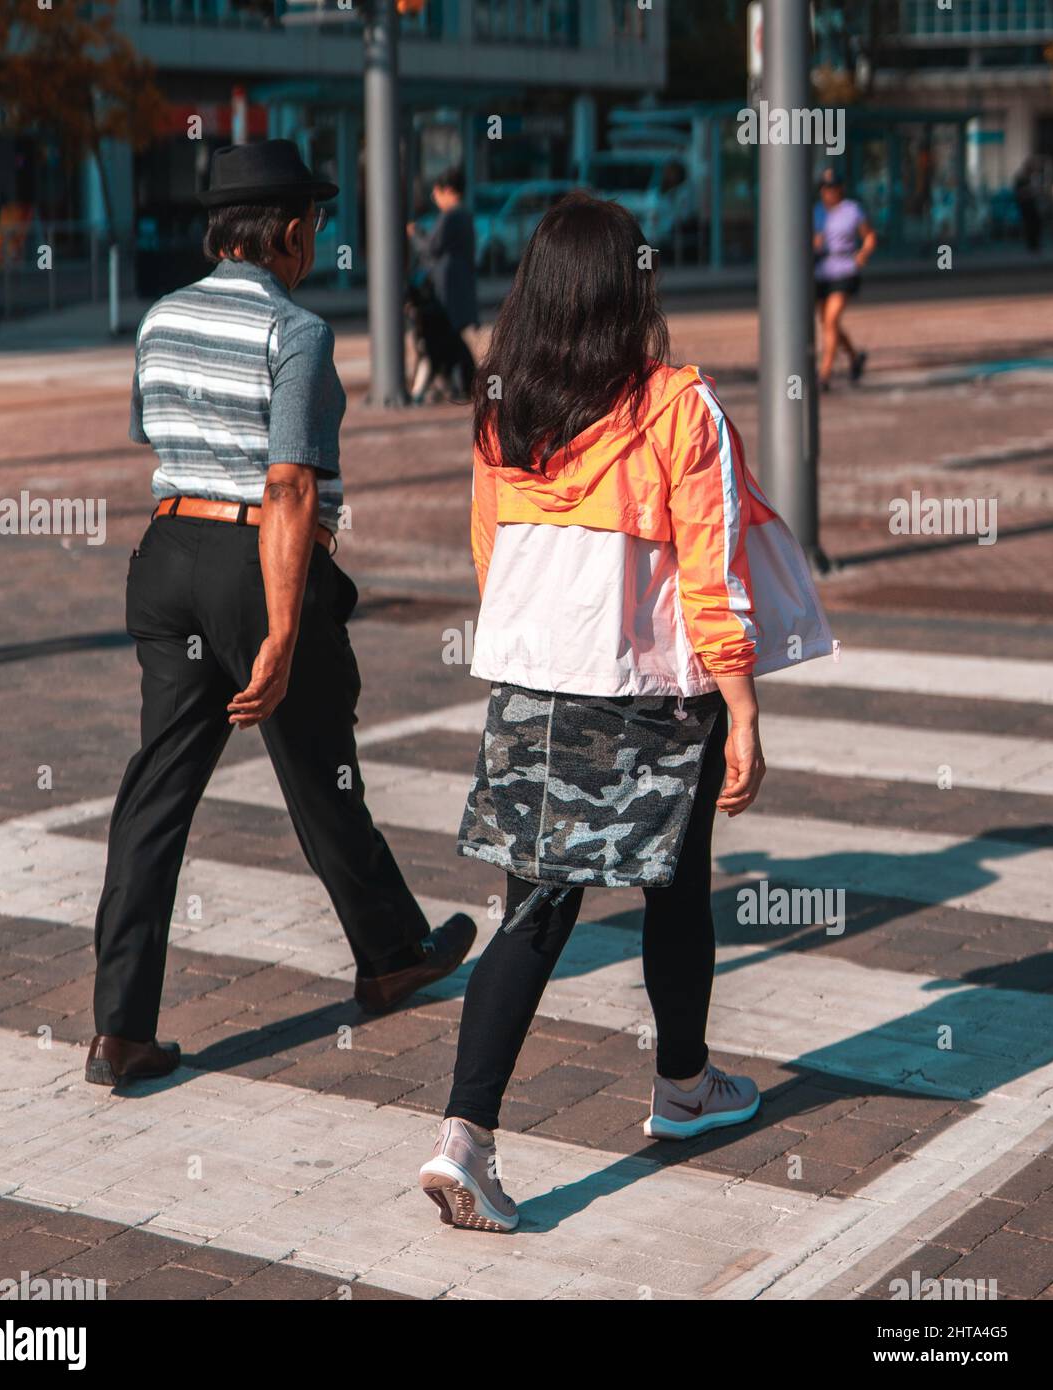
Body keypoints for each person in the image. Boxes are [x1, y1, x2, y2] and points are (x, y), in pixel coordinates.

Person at [417, 191, 833, 1233]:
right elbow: (713, 575)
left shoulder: (504, 405)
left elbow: (488, 549)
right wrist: (742, 708)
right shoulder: (678, 408)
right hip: (647, 694)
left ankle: (481, 1133)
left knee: (534, 908)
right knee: (673, 886)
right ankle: (667, 1087)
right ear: (628, 287)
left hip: (529, 679)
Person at [86, 140, 475, 1089]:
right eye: (317, 225)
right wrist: (283, 631)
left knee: (154, 796)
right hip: (252, 560)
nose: (318, 241)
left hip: (166, 554)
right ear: (291, 232)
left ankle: (119, 1029)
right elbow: (290, 485)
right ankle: (389, 958)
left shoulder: (159, 319)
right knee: (320, 770)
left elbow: (158, 434)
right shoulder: (294, 332)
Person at [407, 168, 478, 400]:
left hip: (447, 289)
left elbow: (431, 248)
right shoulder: (464, 216)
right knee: (452, 339)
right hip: (458, 285)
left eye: (436, 192)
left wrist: (415, 233)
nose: (434, 198)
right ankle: (458, 384)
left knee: (447, 339)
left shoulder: (452, 216)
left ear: (448, 191)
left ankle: (460, 385)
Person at [813, 168, 876, 391]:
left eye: (832, 188)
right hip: (822, 271)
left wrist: (862, 254)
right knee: (829, 323)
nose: (828, 193)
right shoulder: (817, 211)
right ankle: (854, 356)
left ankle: (825, 374)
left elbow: (869, 236)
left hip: (844, 269)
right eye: (825, 188)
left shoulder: (852, 210)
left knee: (831, 320)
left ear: (840, 189)